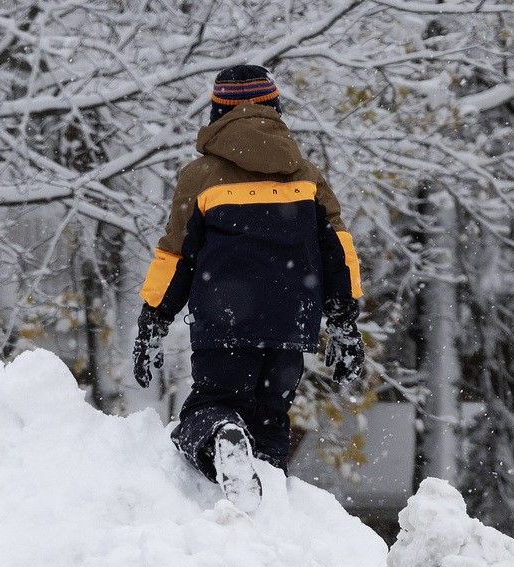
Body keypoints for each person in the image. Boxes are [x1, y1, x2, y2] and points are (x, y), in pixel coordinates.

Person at [132, 64, 365, 509]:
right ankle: (260, 512)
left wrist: (153, 319)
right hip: (289, 324)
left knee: (208, 408)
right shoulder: (306, 175)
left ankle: (220, 434)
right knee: (272, 420)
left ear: (218, 112)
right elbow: (340, 251)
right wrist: (345, 323)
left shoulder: (201, 176)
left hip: (226, 318)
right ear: (275, 109)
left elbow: (175, 255)